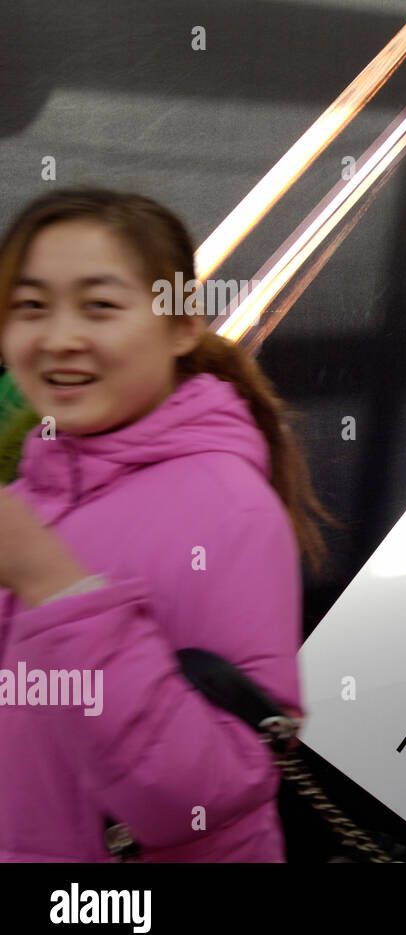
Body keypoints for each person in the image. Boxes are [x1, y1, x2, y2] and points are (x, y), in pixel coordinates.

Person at [0, 188, 332, 861]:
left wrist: (50, 580)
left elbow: (204, 792)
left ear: (183, 325)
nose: (60, 337)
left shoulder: (230, 507)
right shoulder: (29, 492)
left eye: (100, 305)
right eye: (32, 306)